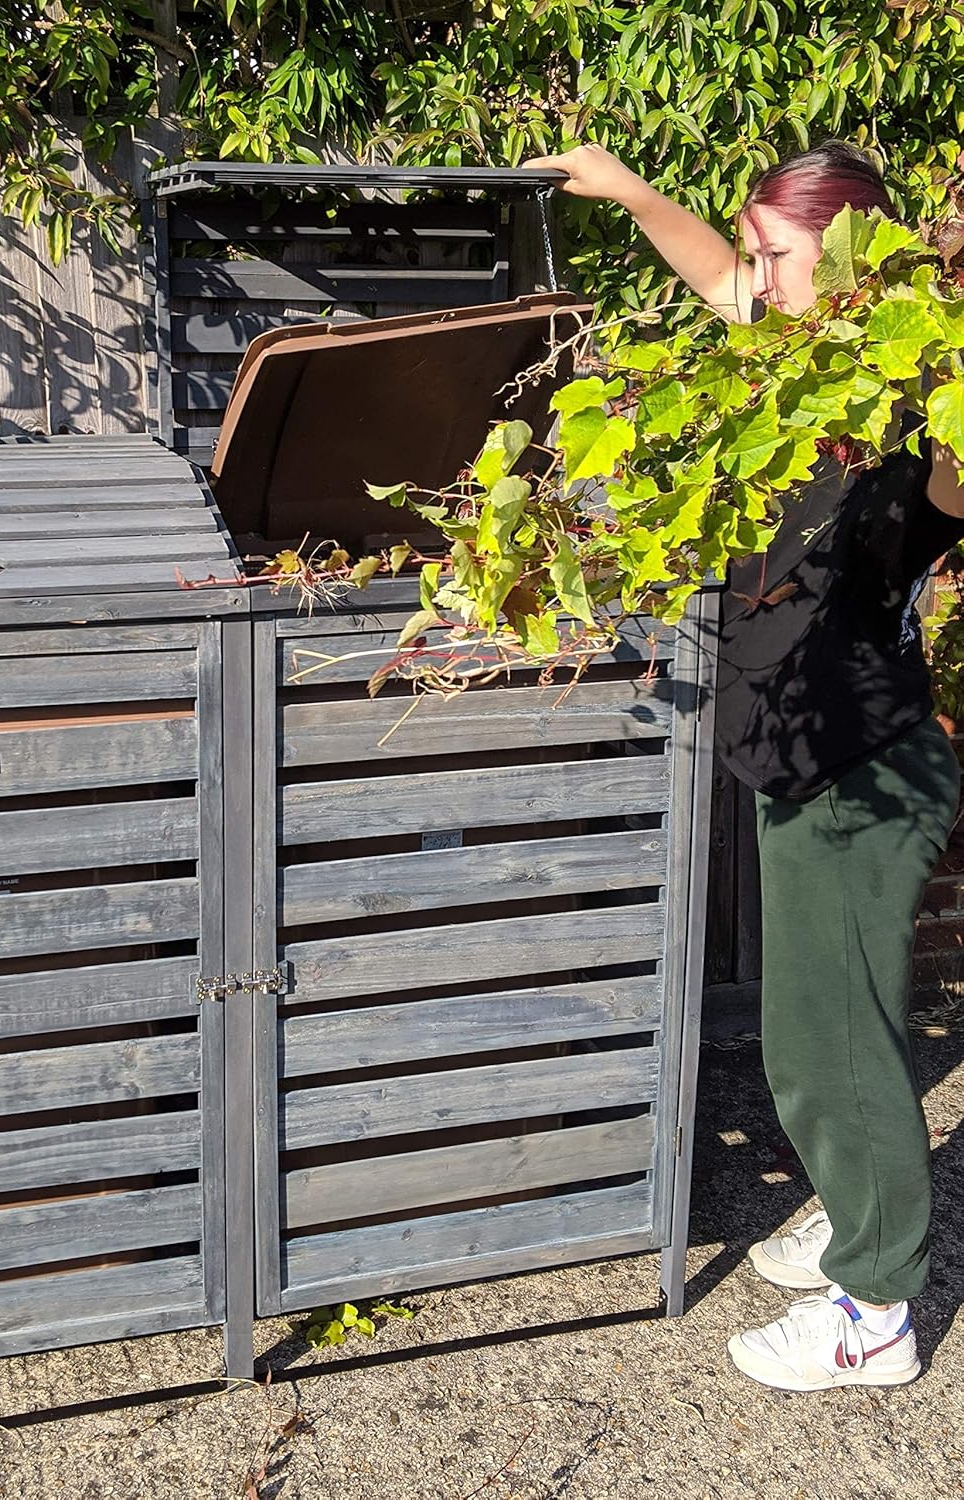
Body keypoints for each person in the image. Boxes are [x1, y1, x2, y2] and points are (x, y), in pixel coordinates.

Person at [523, 140, 964, 1391]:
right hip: (802, 760)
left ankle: (875, 1310)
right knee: (804, 1032)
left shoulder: (920, 414)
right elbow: (716, 273)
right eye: (758, 254)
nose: (755, 278)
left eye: (778, 255)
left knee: (837, 1046)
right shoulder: (792, 374)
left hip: (864, 776)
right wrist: (626, 189)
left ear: (857, 260)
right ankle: (853, 1204)